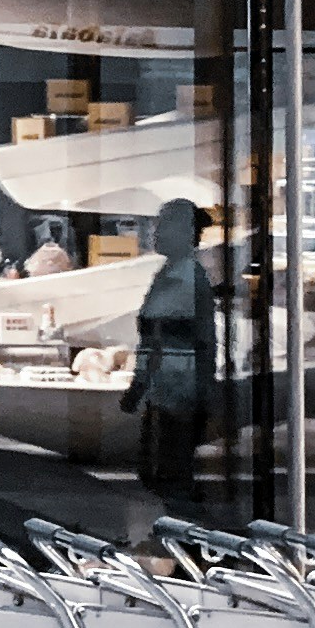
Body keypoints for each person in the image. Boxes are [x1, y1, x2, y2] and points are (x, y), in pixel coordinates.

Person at [120, 196, 213, 504]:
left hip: (177, 386)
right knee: (159, 469)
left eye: (163, 224)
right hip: (167, 386)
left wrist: (141, 382)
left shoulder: (185, 277)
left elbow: (168, 335)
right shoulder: (171, 273)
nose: (155, 232)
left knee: (168, 470)